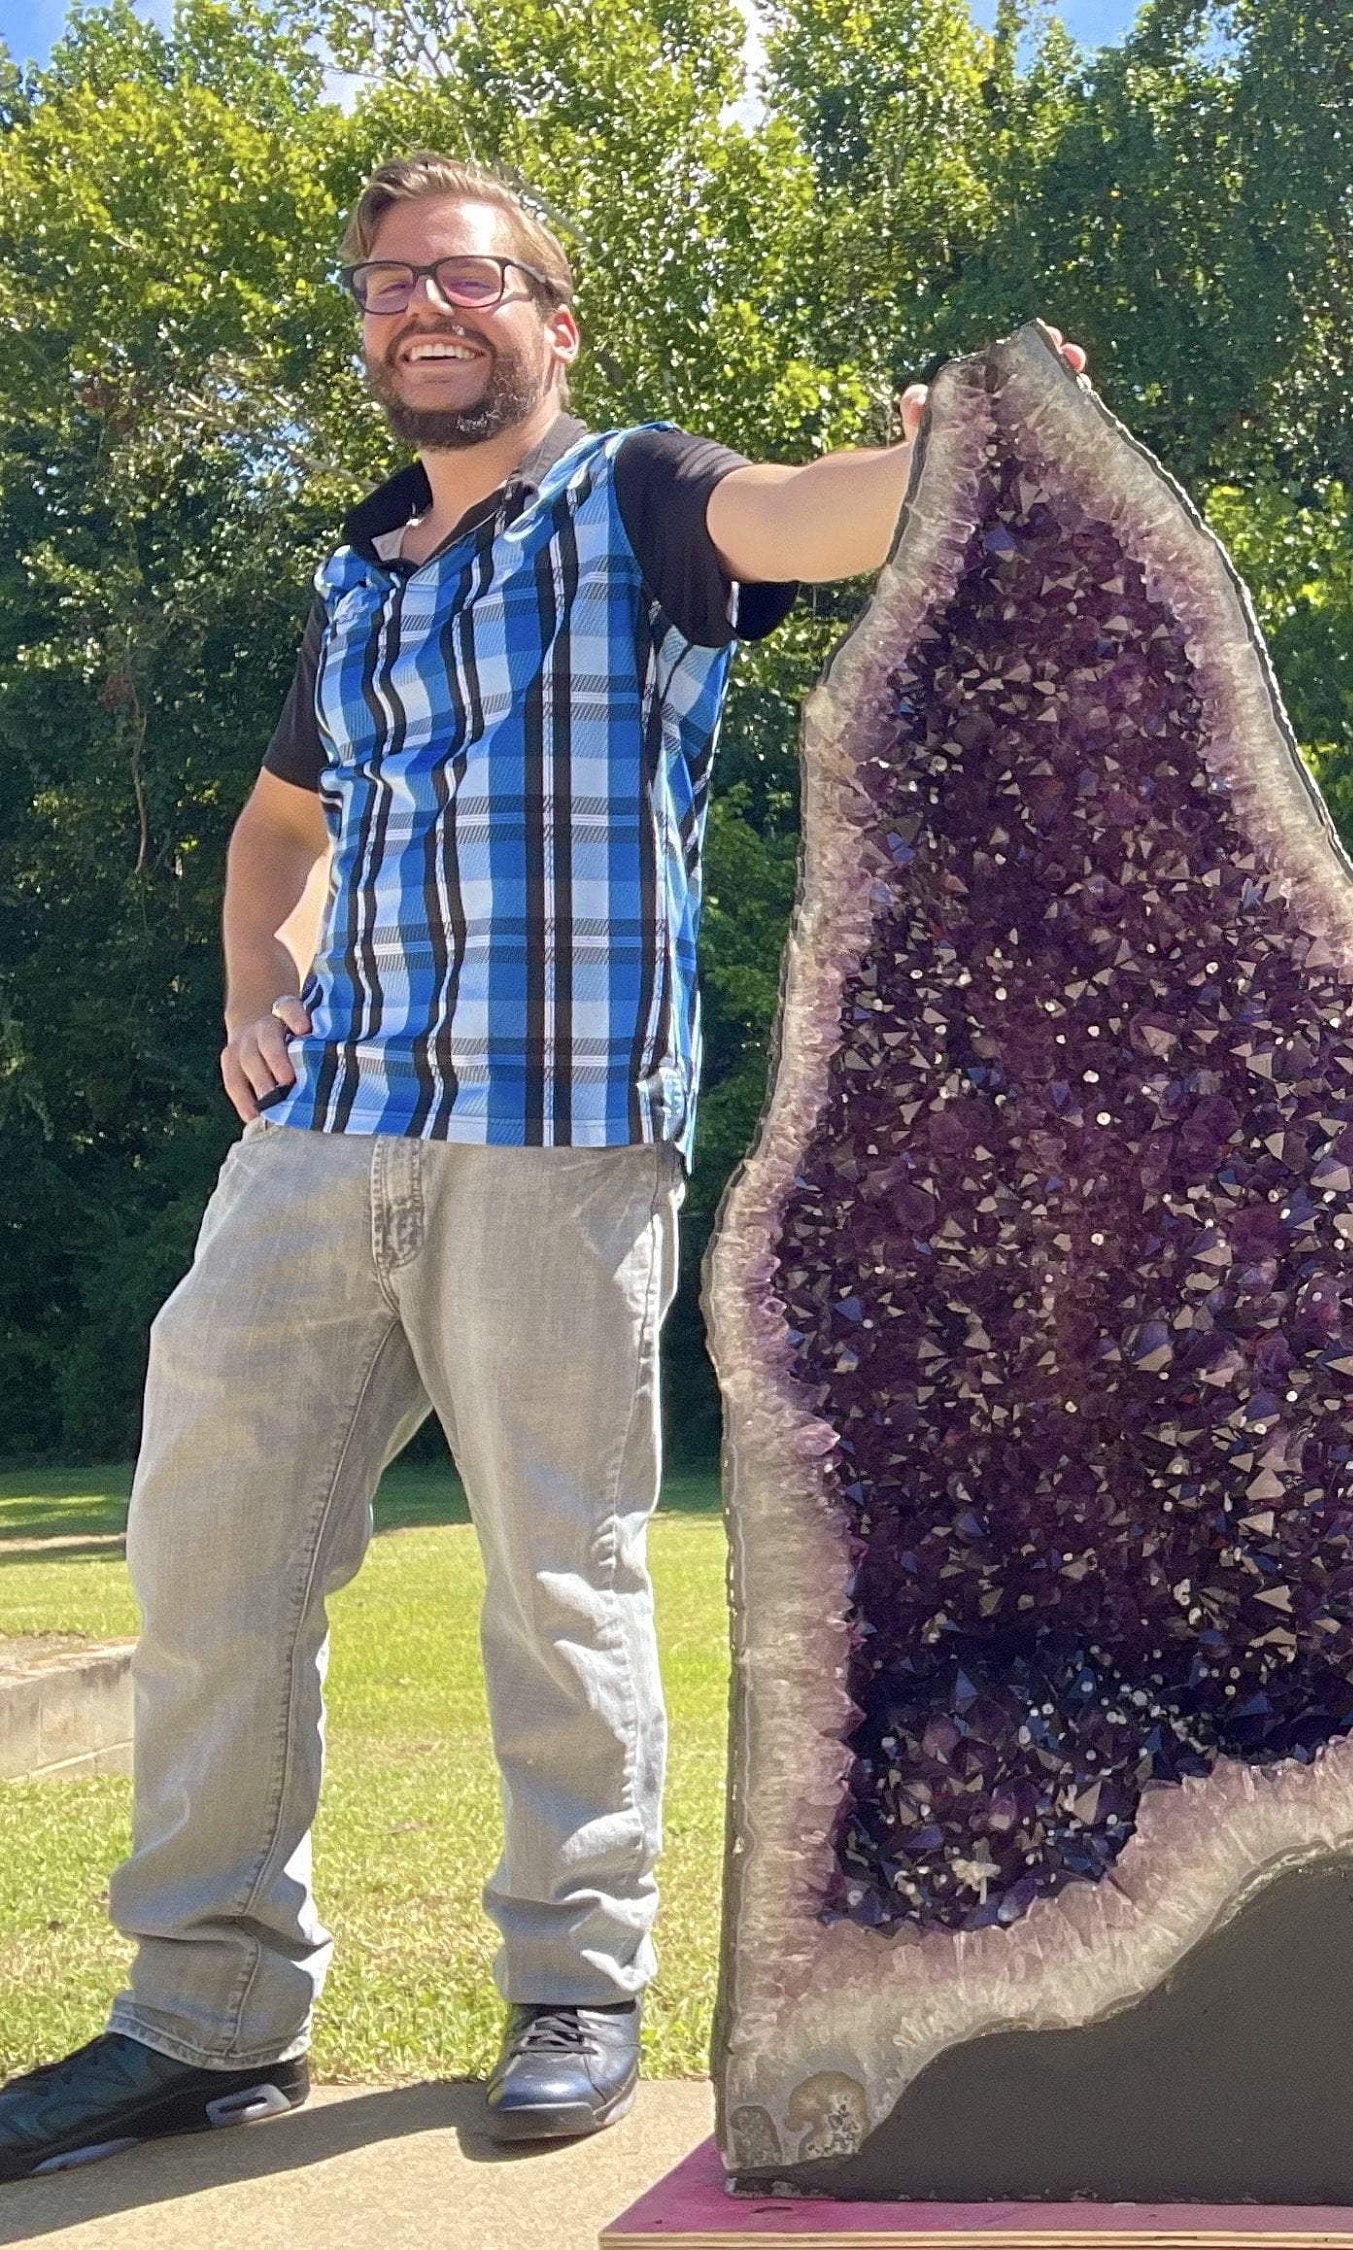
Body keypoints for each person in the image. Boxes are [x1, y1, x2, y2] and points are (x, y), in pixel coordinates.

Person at [0, 153, 1086, 2179]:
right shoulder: (356, 579)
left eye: (470, 277)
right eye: (388, 282)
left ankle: (575, 1984)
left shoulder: (639, 497)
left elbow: (806, 515)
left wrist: (953, 449)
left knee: (555, 1580)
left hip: (559, 1137)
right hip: (322, 1137)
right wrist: (257, 983)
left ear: (551, 320)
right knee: (209, 1560)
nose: (424, 305)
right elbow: (276, 830)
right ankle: (206, 2015)